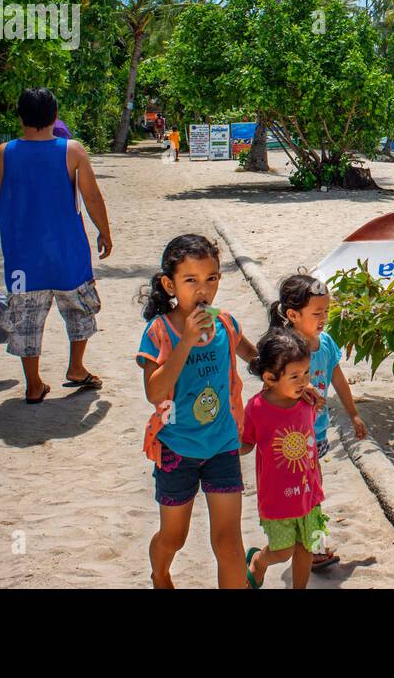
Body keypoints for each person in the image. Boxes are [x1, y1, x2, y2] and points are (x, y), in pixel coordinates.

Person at [136, 235, 255, 589]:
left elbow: (259, 360)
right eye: (191, 280)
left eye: (212, 279)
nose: (203, 290)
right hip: (176, 449)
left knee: (229, 542)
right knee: (174, 538)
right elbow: (153, 393)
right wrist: (186, 340)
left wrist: (292, 371)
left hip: (222, 445)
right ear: (169, 284)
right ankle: (160, 572)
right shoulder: (159, 332)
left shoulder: (226, 324)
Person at [0, 88, 111, 404]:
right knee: (79, 309)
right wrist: (104, 232)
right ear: (55, 116)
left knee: (25, 318)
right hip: (67, 252)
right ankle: (76, 367)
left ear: (21, 117)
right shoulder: (72, 151)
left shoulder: (4, 152)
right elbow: (92, 197)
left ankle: (33, 384)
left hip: (21, 256)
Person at [268, 273, 366, 571]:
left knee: (312, 489)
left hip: (318, 435)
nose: (323, 318)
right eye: (316, 313)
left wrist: (353, 413)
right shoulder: (285, 351)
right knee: (307, 491)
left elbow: (337, 377)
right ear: (293, 315)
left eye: (326, 311)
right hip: (292, 440)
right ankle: (311, 547)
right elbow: (271, 392)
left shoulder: (325, 343)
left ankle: (309, 545)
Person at [241, 327, 328, 590]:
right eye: (294, 376)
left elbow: (309, 442)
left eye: (306, 373)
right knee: (282, 550)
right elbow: (247, 443)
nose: (303, 381)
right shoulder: (257, 408)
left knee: (306, 547)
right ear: (269, 378)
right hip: (277, 498)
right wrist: (226, 446)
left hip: (309, 492)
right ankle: (258, 561)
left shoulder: (306, 402)